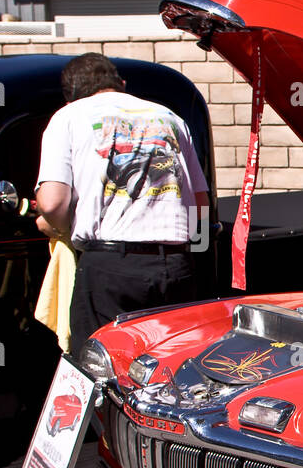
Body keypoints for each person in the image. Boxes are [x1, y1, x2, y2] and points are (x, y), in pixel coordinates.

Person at [35, 52, 209, 351]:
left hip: (110, 266)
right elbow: (201, 203)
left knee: (104, 369)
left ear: (70, 95)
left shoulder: (68, 116)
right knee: (172, 367)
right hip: (176, 265)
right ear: (121, 84)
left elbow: (52, 204)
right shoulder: (169, 117)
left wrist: (54, 225)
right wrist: (195, 255)